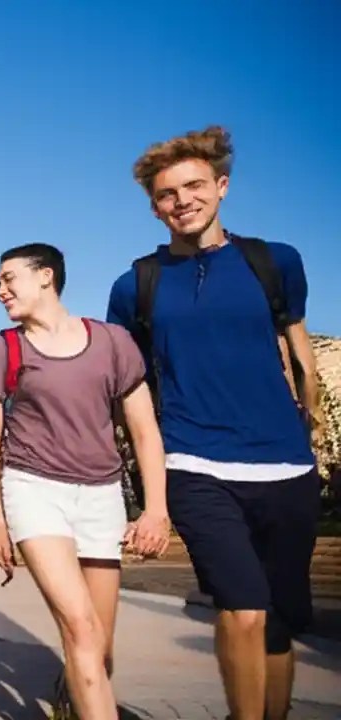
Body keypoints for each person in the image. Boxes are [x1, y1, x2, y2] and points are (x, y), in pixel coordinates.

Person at [107, 126, 321, 720]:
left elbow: (300, 352)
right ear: (154, 206)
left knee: (279, 621)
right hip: (195, 462)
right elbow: (127, 388)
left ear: (221, 187)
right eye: (168, 193)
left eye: (194, 185)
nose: (183, 200)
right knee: (243, 607)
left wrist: (314, 427)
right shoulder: (135, 287)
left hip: (286, 462)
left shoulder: (275, 262)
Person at [0, 243, 171, 720]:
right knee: (80, 627)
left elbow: (144, 429)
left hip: (102, 496)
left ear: (45, 277)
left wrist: (156, 507)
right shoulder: (1, 349)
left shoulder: (113, 342)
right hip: (34, 490)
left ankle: (70, 698)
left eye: (7, 278)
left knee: (99, 648)